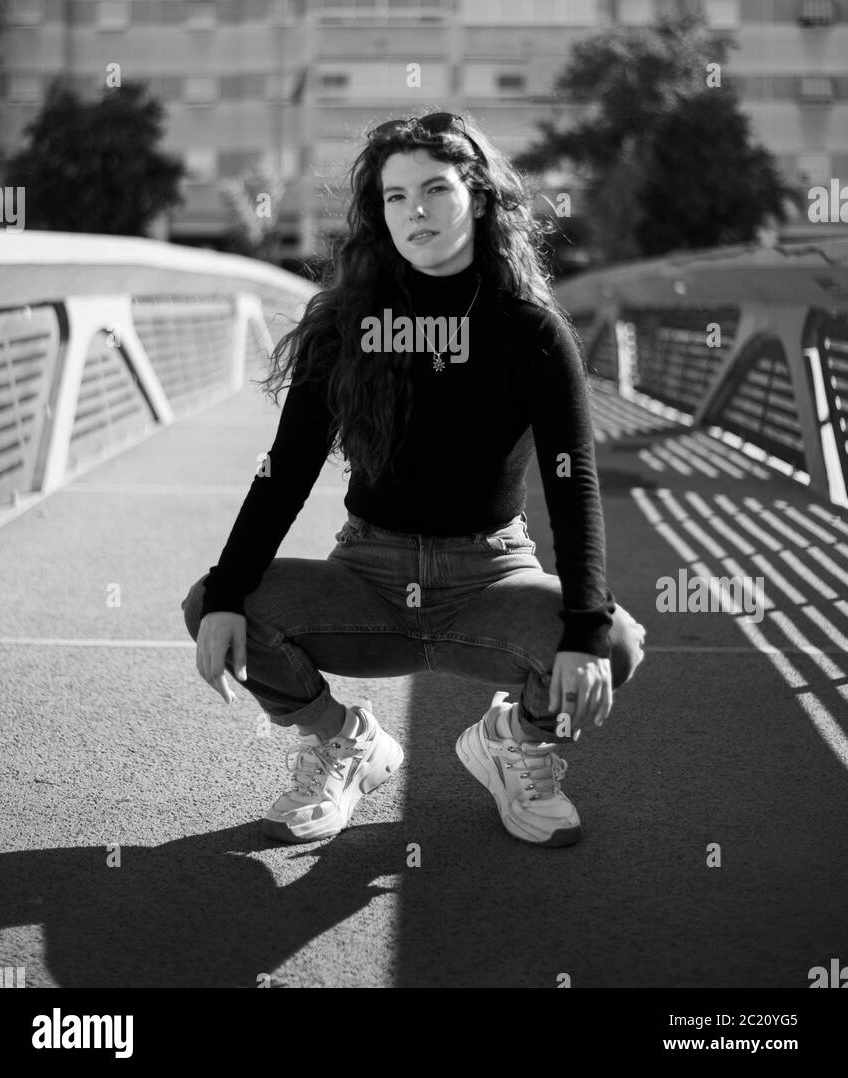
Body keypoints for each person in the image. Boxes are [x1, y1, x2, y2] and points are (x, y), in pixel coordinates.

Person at [181, 112, 646, 848]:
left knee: (614, 642)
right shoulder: (344, 325)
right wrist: (231, 593)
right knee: (213, 602)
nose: (415, 211)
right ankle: (344, 742)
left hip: (490, 575)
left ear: (482, 199)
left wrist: (585, 627)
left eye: (435, 188)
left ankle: (514, 741)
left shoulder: (530, 331)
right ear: (379, 212)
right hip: (369, 574)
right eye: (395, 197)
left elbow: (572, 480)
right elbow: (287, 470)